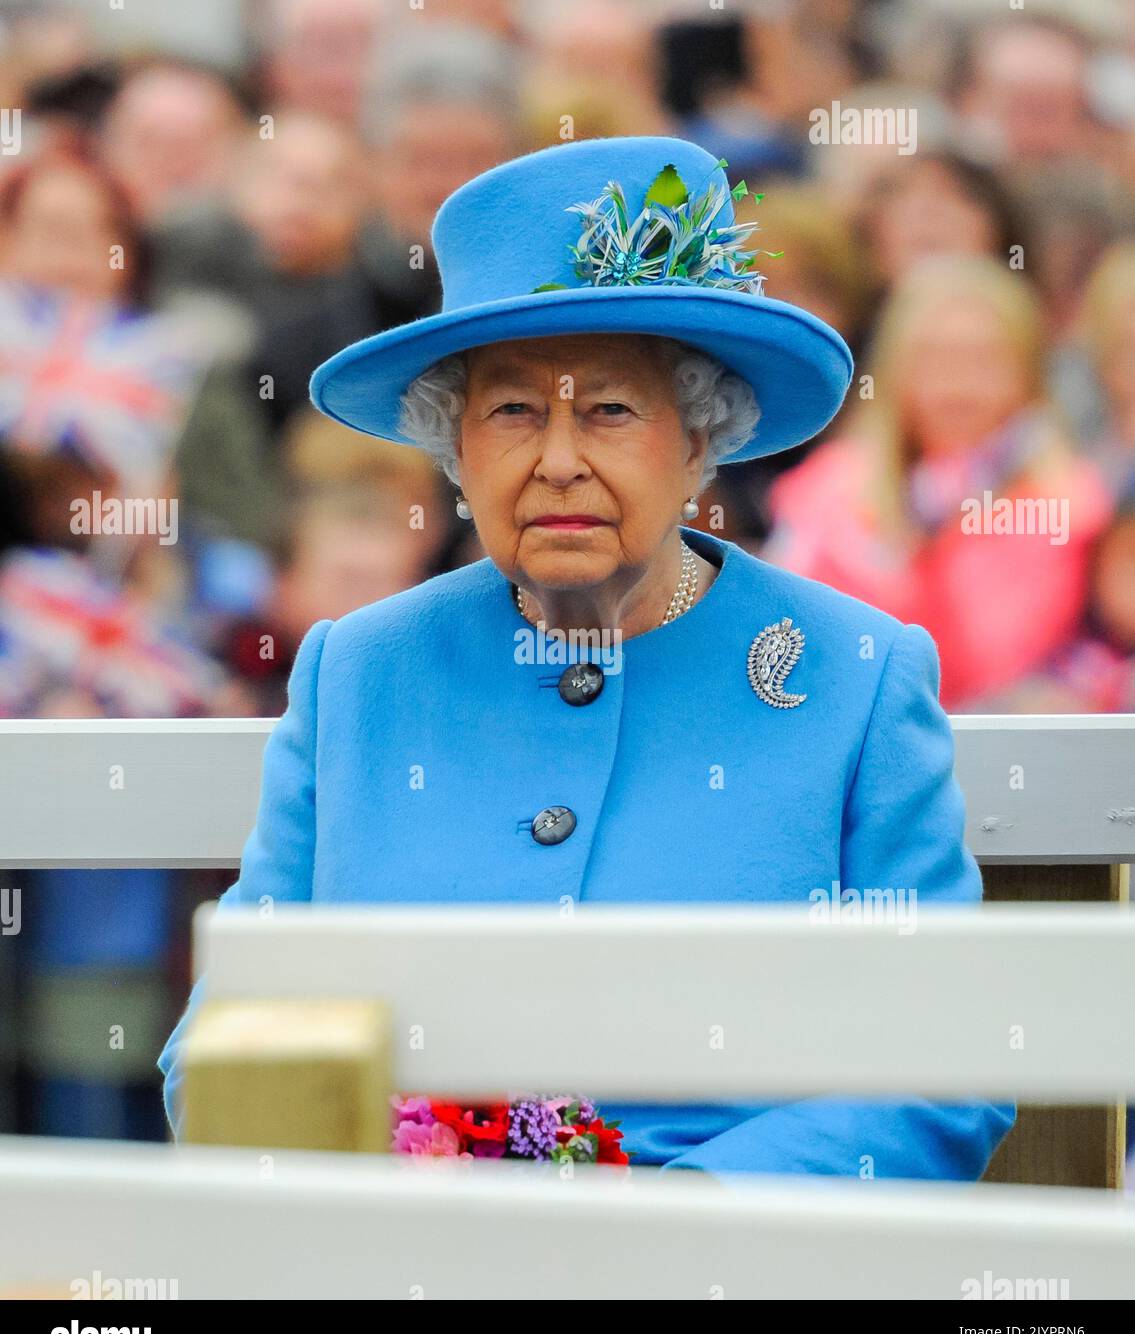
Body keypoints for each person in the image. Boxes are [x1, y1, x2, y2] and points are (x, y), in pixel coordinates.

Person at [158, 136, 1013, 1180]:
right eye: (513, 410)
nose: (558, 460)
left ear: (699, 439)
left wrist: (682, 1226)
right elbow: (225, 1039)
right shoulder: (360, 671)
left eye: (608, 409)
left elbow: (944, 1058)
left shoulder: (854, 675)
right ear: (455, 449)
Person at [765, 255, 1112, 710]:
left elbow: (986, 664)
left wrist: (933, 533)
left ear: (1028, 374)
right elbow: (781, 630)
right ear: (895, 370)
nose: (958, 381)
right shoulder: (829, 485)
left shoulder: (1069, 500)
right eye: (933, 356)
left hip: (998, 747)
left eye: (984, 358)